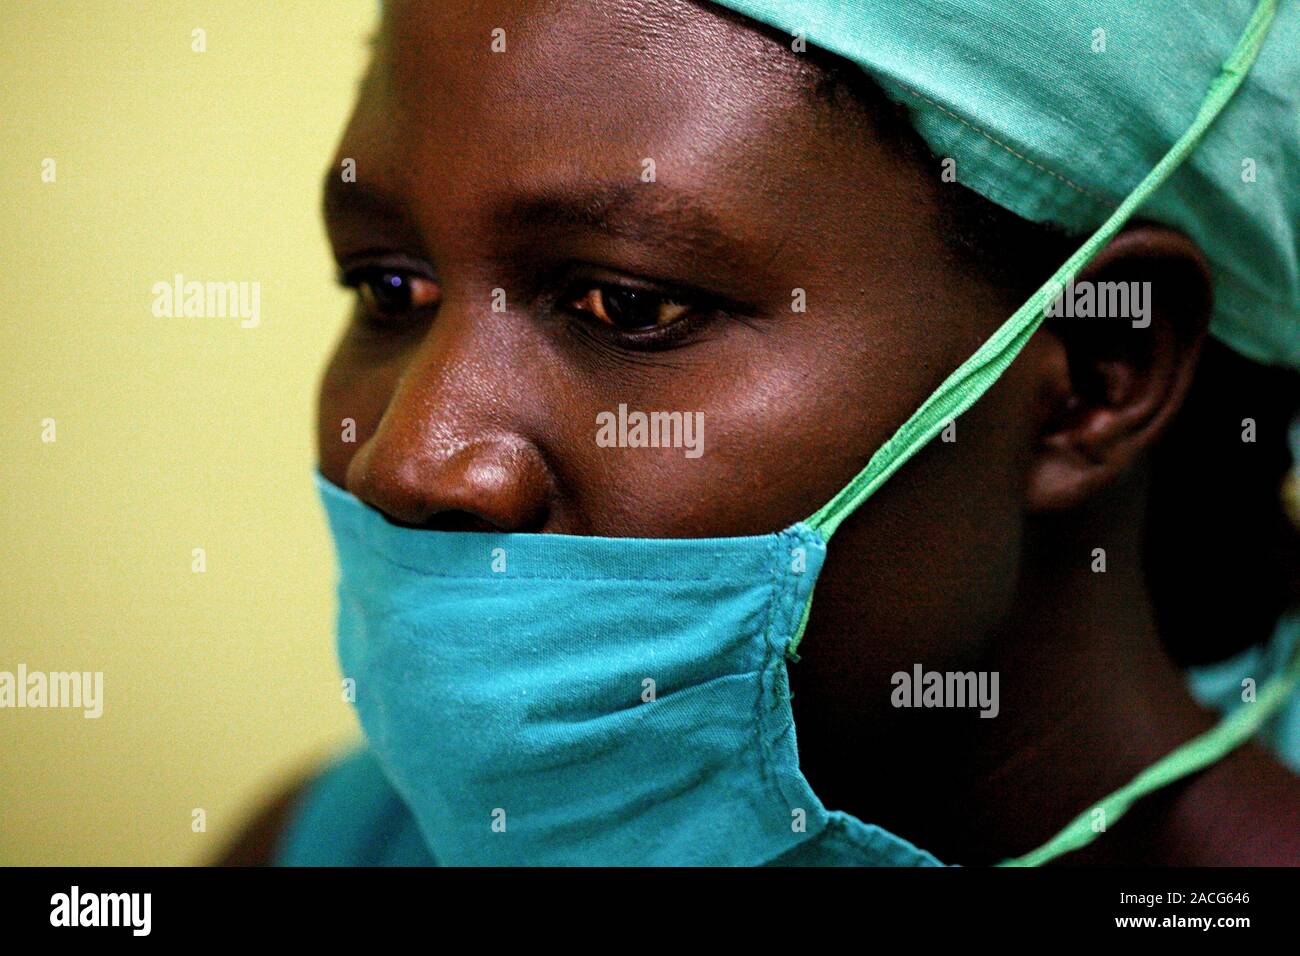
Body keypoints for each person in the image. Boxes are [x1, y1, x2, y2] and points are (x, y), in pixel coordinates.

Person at [221, 0, 1300, 866]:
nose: (407, 457)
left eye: (627, 307)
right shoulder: (324, 842)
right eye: (390, 285)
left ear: (1098, 376)